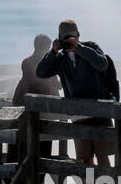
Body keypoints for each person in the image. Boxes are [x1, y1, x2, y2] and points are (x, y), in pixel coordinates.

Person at [36, 19, 116, 167]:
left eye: (70, 37)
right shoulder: (59, 59)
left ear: (78, 35)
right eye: (64, 38)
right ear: (59, 38)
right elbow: (41, 72)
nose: (68, 40)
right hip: (77, 116)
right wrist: (52, 52)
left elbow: (102, 64)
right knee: (85, 160)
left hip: (99, 113)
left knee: (102, 156)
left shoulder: (90, 47)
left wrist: (79, 48)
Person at [13, 33, 60, 161]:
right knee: (44, 148)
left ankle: (33, 175)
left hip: (29, 109)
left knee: (30, 146)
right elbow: (56, 85)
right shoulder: (46, 63)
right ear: (45, 48)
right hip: (44, 110)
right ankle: (40, 178)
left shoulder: (26, 62)